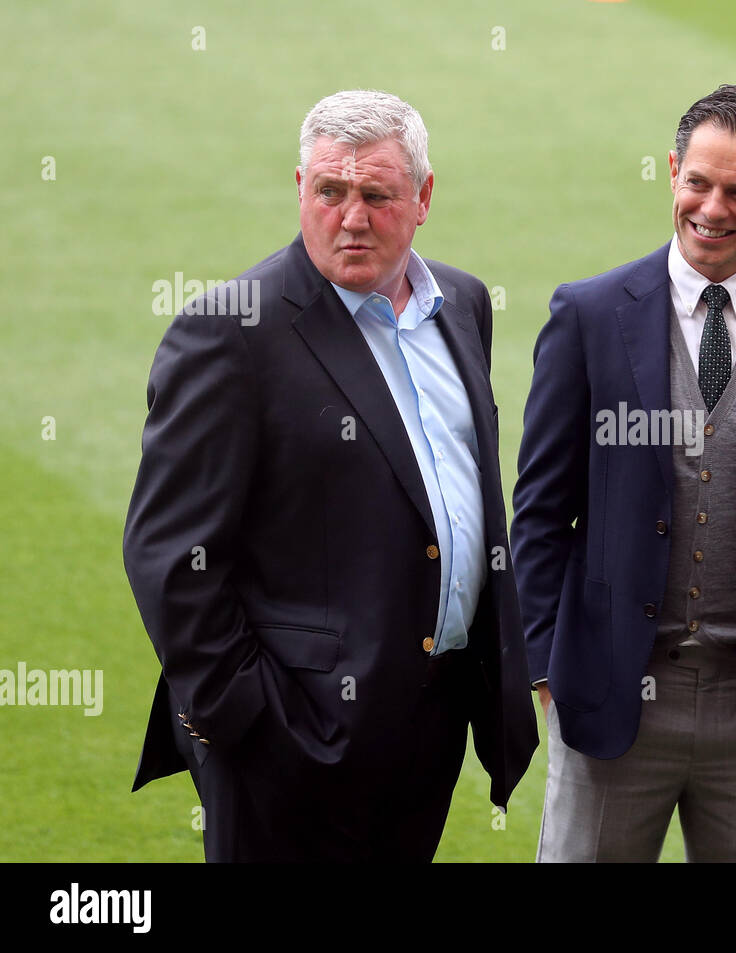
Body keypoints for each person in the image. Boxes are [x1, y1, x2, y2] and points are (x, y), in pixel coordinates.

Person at [122, 89, 537, 862]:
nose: (351, 218)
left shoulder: (463, 305)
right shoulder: (229, 332)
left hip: (430, 724)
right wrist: (247, 718)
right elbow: (171, 558)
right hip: (289, 741)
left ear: (424, 198)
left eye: (377, 196)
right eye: (330, 191)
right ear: (301, 188)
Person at [512, 83, 736, 862]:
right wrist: (544, 663)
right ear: (672, 171)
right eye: (697, 182)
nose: (712, 208)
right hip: (610, 698)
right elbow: (540, 510)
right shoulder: (588, 314)